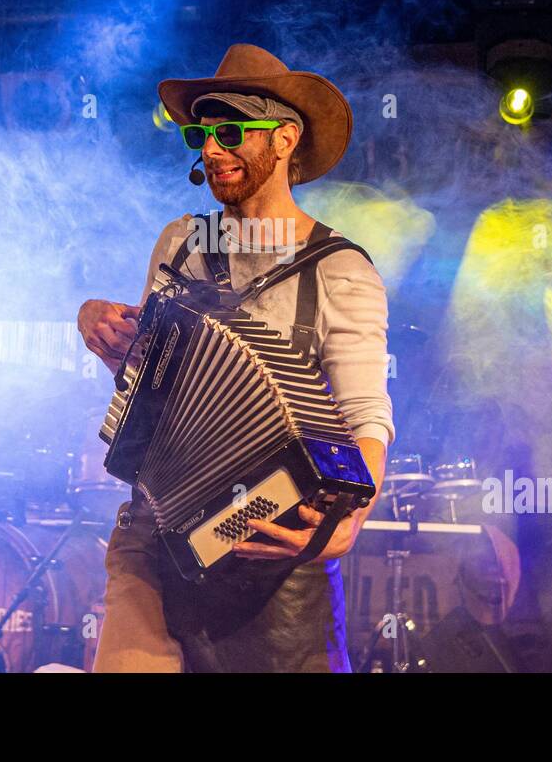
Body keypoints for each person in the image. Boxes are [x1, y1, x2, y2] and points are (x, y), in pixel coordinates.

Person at [77, 43, 394, 672]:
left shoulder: (341, 270)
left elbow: (367, 417)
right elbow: (151, 383)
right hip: (153, 537)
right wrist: (96, 325)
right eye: (201, 133)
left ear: (283, 139)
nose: (211, 150)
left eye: (229, 132)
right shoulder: (180, 241)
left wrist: (349, 519)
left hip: (264, 557)